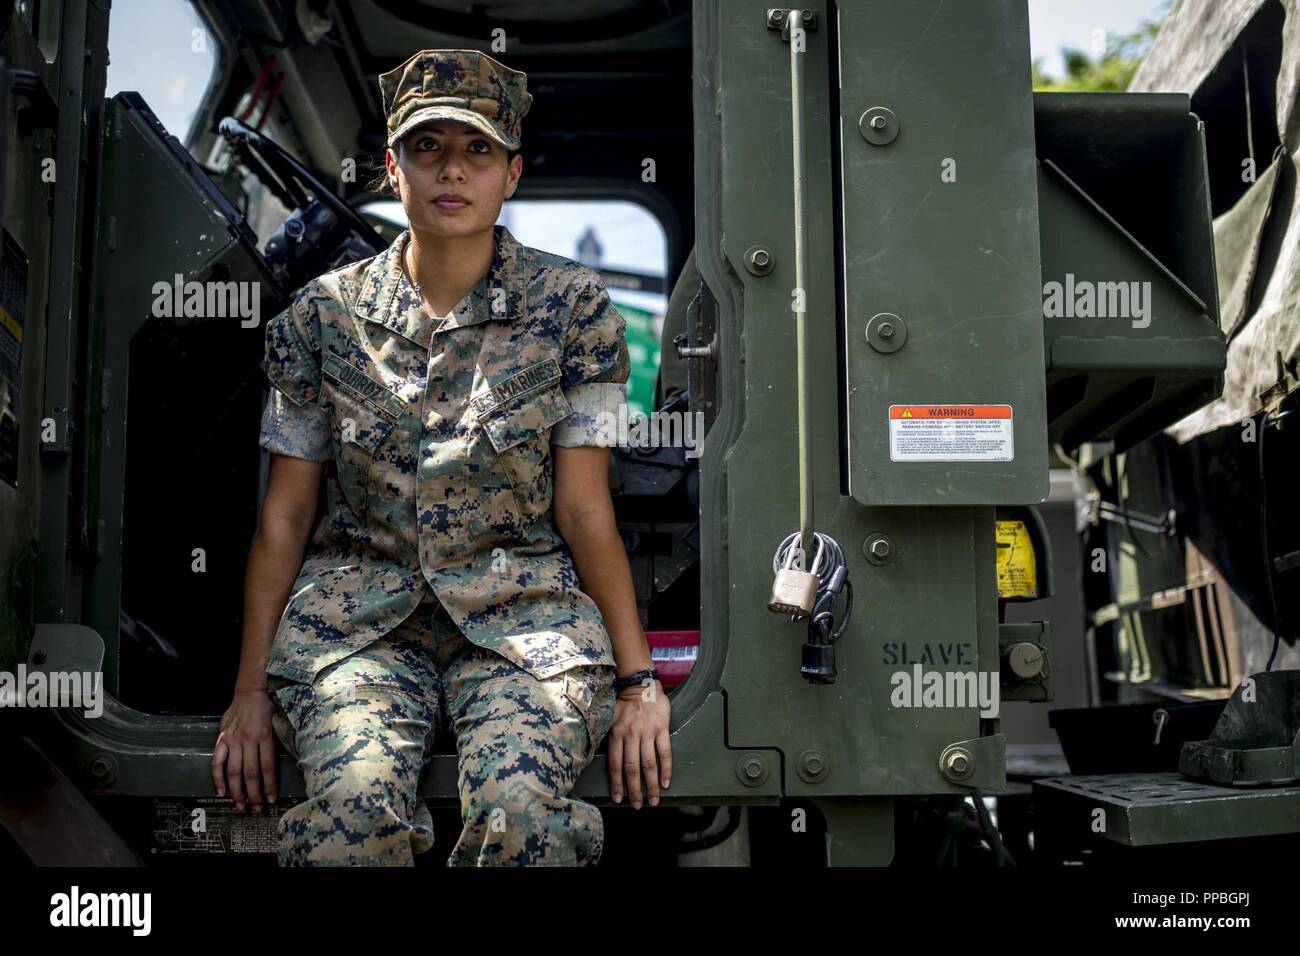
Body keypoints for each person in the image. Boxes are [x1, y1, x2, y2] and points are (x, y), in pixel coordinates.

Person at [210, 48, 672, 866]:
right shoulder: (321, 320)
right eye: (428, 148)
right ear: (393, 168)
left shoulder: (574, 312)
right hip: (355, 630)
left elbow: (584, 508)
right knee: (354, 818)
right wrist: (248, 694)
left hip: (521, 623)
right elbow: (284, 515)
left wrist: (638, 686)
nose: (451, 171)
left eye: (477, 151)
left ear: (511, 174)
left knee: (524, 815)